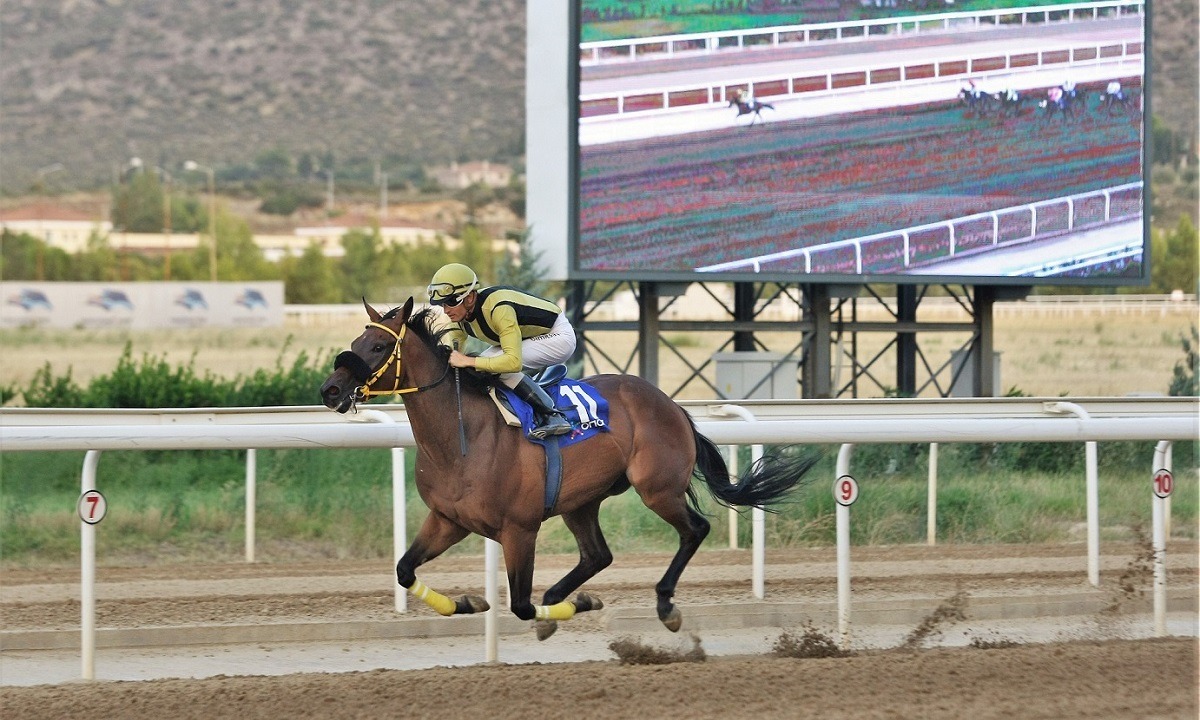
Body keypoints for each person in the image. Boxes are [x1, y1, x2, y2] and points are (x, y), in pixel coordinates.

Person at [427, 263, 575, 439]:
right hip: (526, 337)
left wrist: (469, 361)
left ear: (470, 297)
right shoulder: (459, 317)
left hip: (557, 335)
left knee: (490, 365)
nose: (446, 310)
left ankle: (552, 415)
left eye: (451, 301)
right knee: (481, 365)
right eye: (442, 303)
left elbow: (513, 362)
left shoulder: (499, 308)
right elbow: (453, 357)